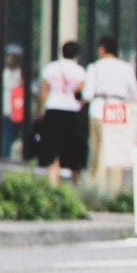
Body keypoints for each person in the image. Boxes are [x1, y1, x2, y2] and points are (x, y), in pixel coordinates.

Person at [84, 35, 137, 187]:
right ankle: (115, 188)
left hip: (98, 110)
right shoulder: (126, 68)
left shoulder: (94, 67)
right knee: (116, 152)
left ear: (102, 49)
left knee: (97, 152)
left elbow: (87, 94)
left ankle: (97, 186)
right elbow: (135, 94)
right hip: (118, 111)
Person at [35, 41, 91, 184]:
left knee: (53, 148)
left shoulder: (51, 68)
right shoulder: (80, 71)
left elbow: (43, 91)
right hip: (72, 111)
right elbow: (83, 93)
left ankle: (53, 183)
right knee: (73, 149)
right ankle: (75, 182)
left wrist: (40, 110)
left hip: (53, 110)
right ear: (76, 54)